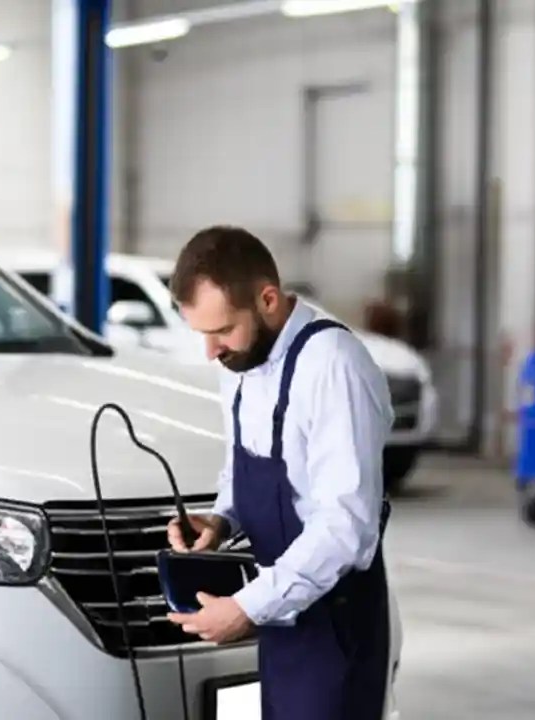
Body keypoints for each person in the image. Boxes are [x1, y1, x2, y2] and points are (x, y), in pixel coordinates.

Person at [163, 225, 395, 720]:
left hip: (335, 627)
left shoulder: (333, 366)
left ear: (268, 299)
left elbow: (346, 526)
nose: (211, 351)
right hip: (282, 619)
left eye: (221, 330)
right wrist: (222, 519)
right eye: (202, 335)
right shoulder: (243, 363)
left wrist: (247, 607)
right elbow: (244, 466)